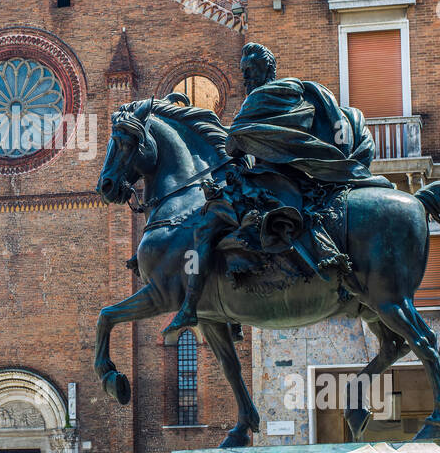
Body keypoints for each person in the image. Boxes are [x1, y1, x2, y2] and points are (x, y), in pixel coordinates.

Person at [164, 43, 392, 335]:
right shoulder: (295, 95)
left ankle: (191, 308)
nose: (246, 76)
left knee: (206, 227)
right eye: (244, 71)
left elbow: (235, 144)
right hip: (295, 183)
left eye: (250, 70)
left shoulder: (260, 98)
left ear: (267, 69)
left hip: (269, 186)